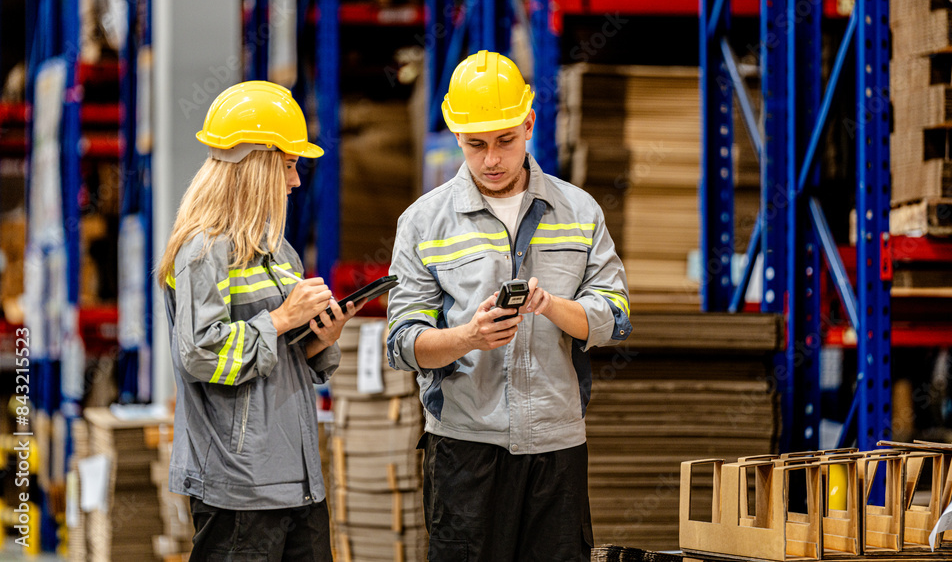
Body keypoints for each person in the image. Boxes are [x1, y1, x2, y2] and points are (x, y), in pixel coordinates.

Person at [387, 50, 632, 561]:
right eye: (476, 145)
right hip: (464, 451)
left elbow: (616, 317)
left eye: (505, 141)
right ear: (457, 135)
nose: (491, 159)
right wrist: (467, 337)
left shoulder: (579, 211)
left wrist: (551, 306)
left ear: (529, 124)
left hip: (556, 448)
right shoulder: (422, 222)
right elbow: (404, 341)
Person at [156, 80, 362, 560]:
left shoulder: (281, 253)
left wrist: (319, 337)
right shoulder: (203, 252)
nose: (295, 181)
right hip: (239, 485)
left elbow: (286, 355)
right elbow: (201, 354)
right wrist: (282, 317)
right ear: (254, 168)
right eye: (288, 166)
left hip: (300, 477)